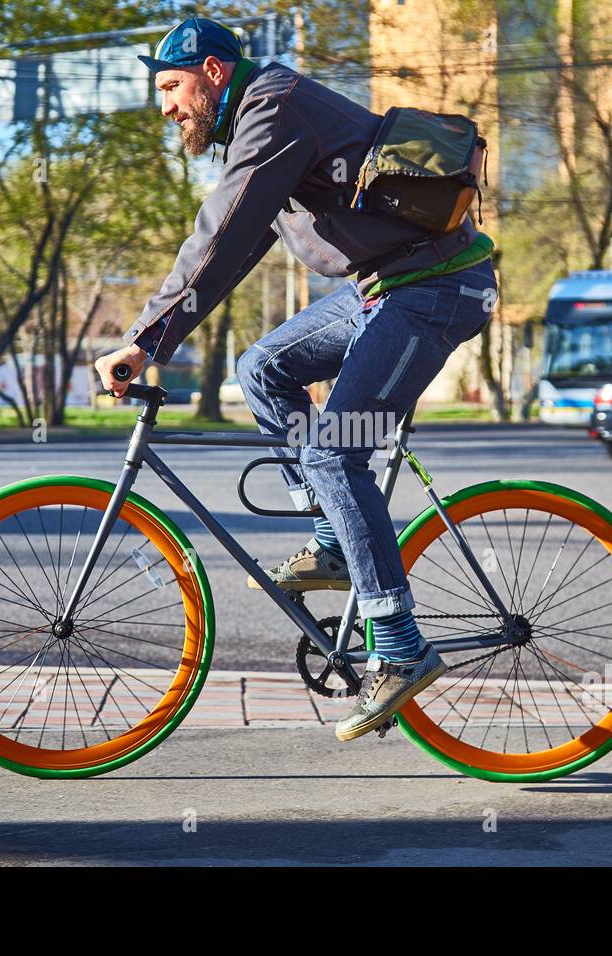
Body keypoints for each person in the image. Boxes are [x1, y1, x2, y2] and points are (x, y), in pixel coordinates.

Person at [94, 17, 497, 741]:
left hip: (435, 288)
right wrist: (160, 336)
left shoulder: (272, 106)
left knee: (334, 451)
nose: (165, 106)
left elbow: (219, 227)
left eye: (170, 86)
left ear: (215, 71)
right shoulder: (264, 121)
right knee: (262, 366)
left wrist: (144, 339)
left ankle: (400, 649)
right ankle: (337, 543)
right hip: (385, 287)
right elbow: (237, 242)